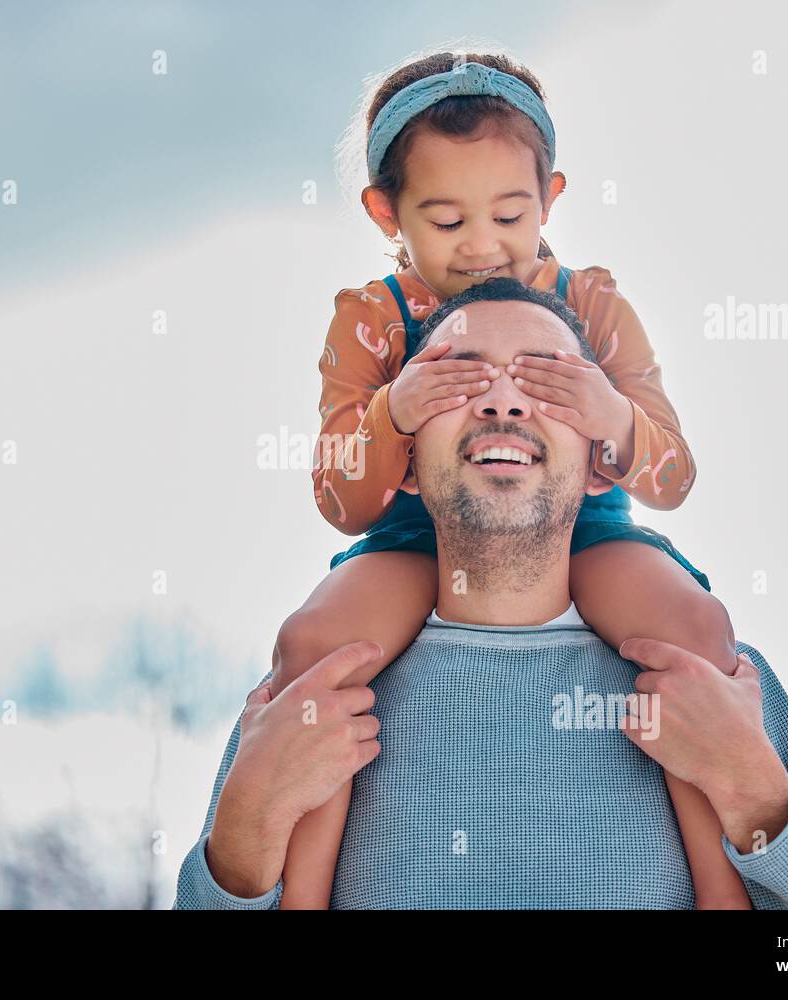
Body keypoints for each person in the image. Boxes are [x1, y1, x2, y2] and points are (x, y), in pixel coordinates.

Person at [172, 279, 788, 909]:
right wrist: (242, 840)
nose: (504, 404)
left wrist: (758, 798)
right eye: (460, 378)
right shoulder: (310, 698)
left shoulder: (715, 687)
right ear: (409, 467)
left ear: (600, 468)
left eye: (547, 379)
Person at [275, 48, 745, 908]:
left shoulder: (593, 306)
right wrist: (396, 412)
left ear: (552, 199)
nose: (484, 248)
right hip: (414, 537)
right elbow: (339, 500)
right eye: (447, 222)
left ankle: (724, 891)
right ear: (387, 211)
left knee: (693, 626)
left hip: (582, 526)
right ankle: (302, 894)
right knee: (314, 649)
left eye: (510, 215)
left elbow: (674, 475)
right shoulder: (373, 320)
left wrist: (610, 415)